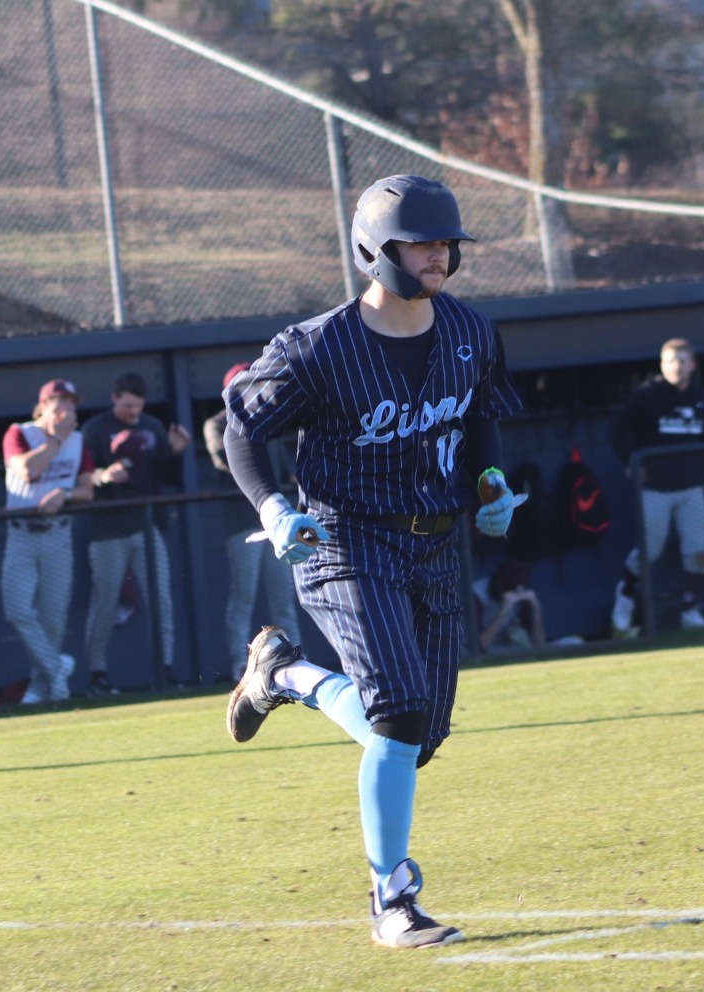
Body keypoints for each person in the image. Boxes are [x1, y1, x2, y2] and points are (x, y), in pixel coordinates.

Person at [221, 175, 523, 948]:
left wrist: (489, 483)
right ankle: (392, 900)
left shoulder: (470, 332)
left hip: (433, 543)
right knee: (395, 713)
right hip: (342, 539)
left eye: (445, 242)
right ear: (374, 251)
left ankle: (283, 676)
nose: (440, 254)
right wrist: (272, 507)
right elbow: (244, 432)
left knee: (417, 741)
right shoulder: (316, 347)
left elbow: (485, 418)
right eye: (421, 242)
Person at [80, 373, 190, 695]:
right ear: (115, 398)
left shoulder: (152, 427)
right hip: (107, 530)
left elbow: (165, 476)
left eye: (138, 406)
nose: (133, 412)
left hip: (146, 526)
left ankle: (165, 668)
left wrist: (175, 452)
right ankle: (96, 673)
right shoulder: (95, 429)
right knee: (105, 602)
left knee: (161, 598)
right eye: (127, 405)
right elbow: (83, 476)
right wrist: (104, 475)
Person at [608, 337, 704, 629]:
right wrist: (630, 463)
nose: (677, 367)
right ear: (662, 364)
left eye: (682, 361)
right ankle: (625, 600)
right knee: (649, 551)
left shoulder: (703, 398)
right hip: (655, 489)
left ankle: (690, 610)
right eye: (671, 361)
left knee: (697, 551)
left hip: (691, 488)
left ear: (692, 364)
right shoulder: (647, 396)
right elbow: (617, 431)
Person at [203, 362, 302, 682]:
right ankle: (239, 665)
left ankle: (297, 658)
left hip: (279, 525)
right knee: (243, 597)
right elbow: (225, 459)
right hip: (242, 524)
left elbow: (288, 467)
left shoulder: (269, 418)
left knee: (283, 596)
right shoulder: (217, 423)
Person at [3, 379, 94, 704]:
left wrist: (65, 493)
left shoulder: (78, 440)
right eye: (61, 403)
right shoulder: (19, 432)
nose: (69, 410)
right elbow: (27, 469)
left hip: (58, 533)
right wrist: (55, 438)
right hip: (22, 534)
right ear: (43, 407)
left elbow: (87, 489)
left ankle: (44, 689)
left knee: (53, 620)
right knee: (17, 610)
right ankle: (56, 669)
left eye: (72, 403)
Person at [472, 558, 582, 652]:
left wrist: (535, 608)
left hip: (513, 647)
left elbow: (539, 644)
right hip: (488, 650)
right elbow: (480, 647)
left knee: (575, 642)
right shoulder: (477, 595)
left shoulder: (521, 594)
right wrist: (504, 610)